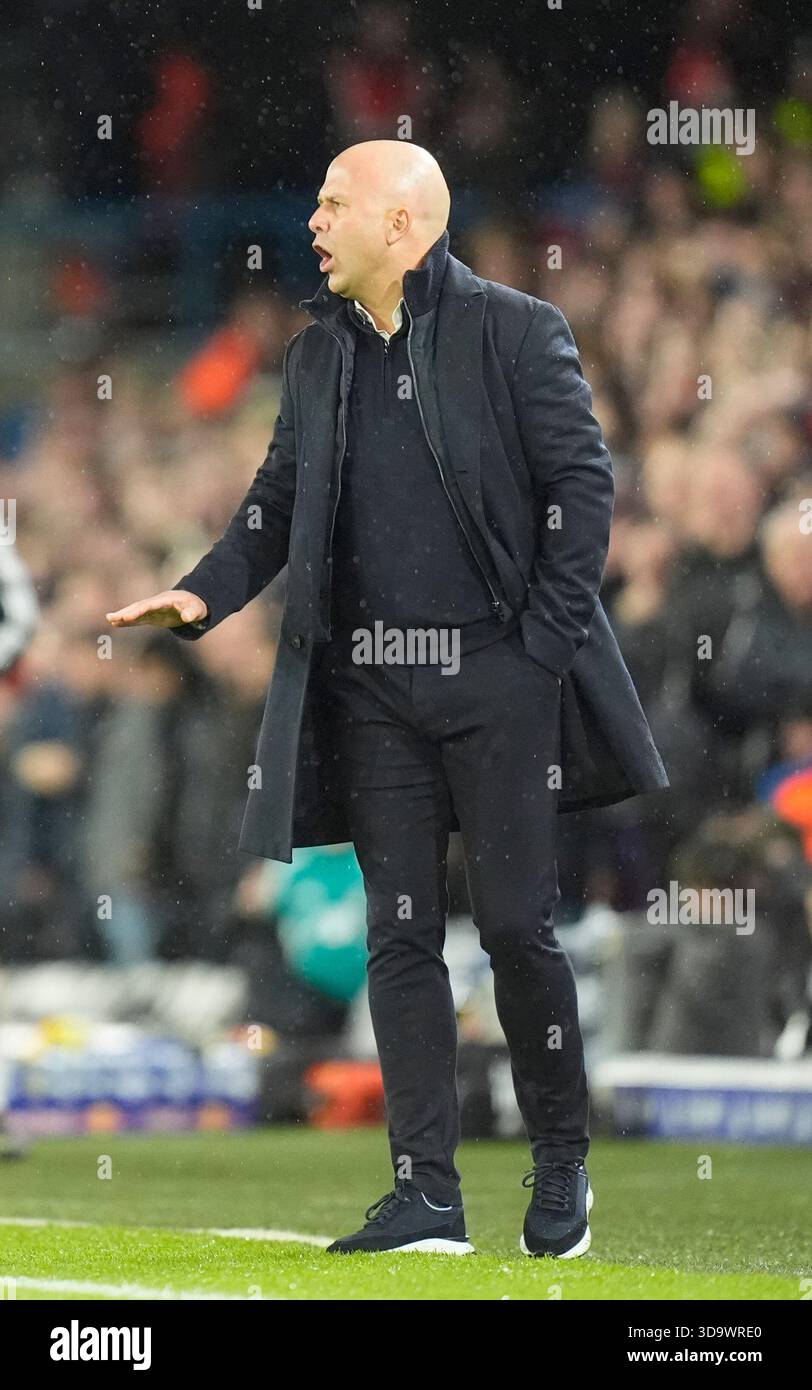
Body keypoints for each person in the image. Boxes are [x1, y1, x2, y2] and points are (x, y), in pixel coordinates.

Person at [107, 140, 668, 1258]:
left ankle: (560, 1160)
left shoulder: (517, 329)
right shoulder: (316, 356)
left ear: (402, 224)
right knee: (398, 938)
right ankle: (425, 1191)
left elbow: (582, 489)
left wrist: (535, 657)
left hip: (495, 682)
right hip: (369, 692)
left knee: (516, 929)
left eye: (332, 202)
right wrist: (200, 593)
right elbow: (274, 503)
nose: (311, 221)